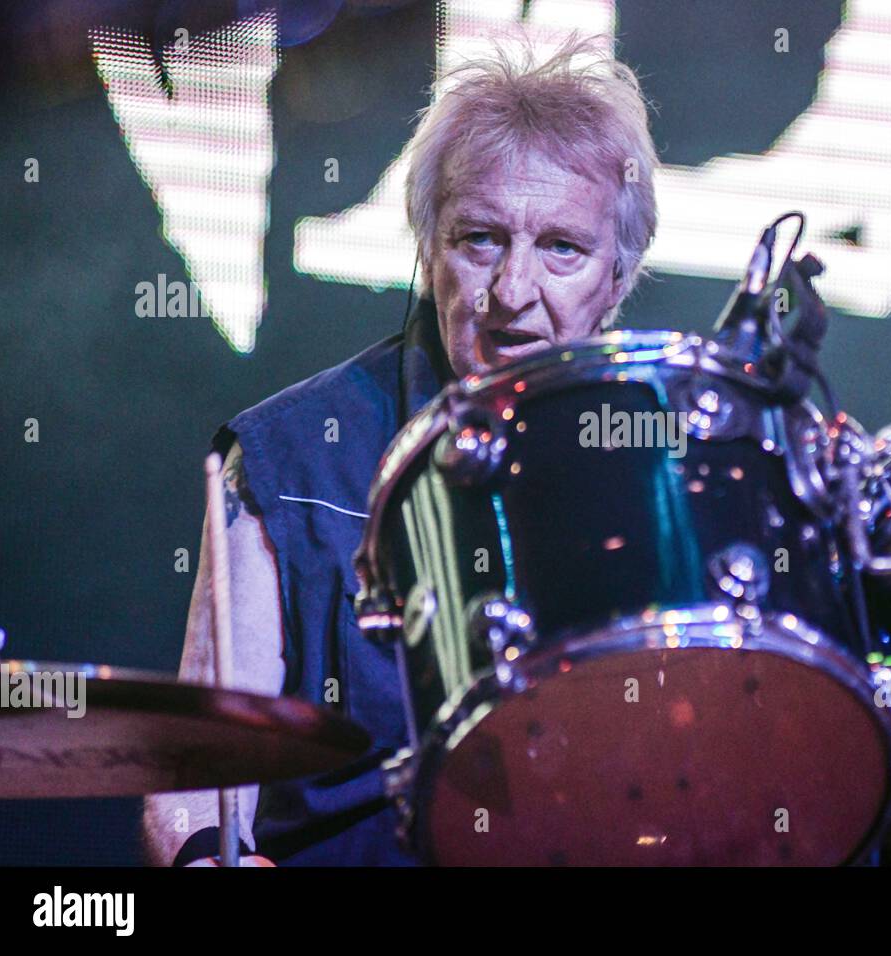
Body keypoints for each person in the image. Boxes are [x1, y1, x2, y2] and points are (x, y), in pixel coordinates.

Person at [142, 35, 659, 865]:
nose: (514, 292)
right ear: (428, 248)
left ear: (618, 276)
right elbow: (194, 780)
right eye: (480, 239)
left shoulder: (670, 471)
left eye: (562, 247)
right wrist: (205, 856)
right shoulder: (289, 459)